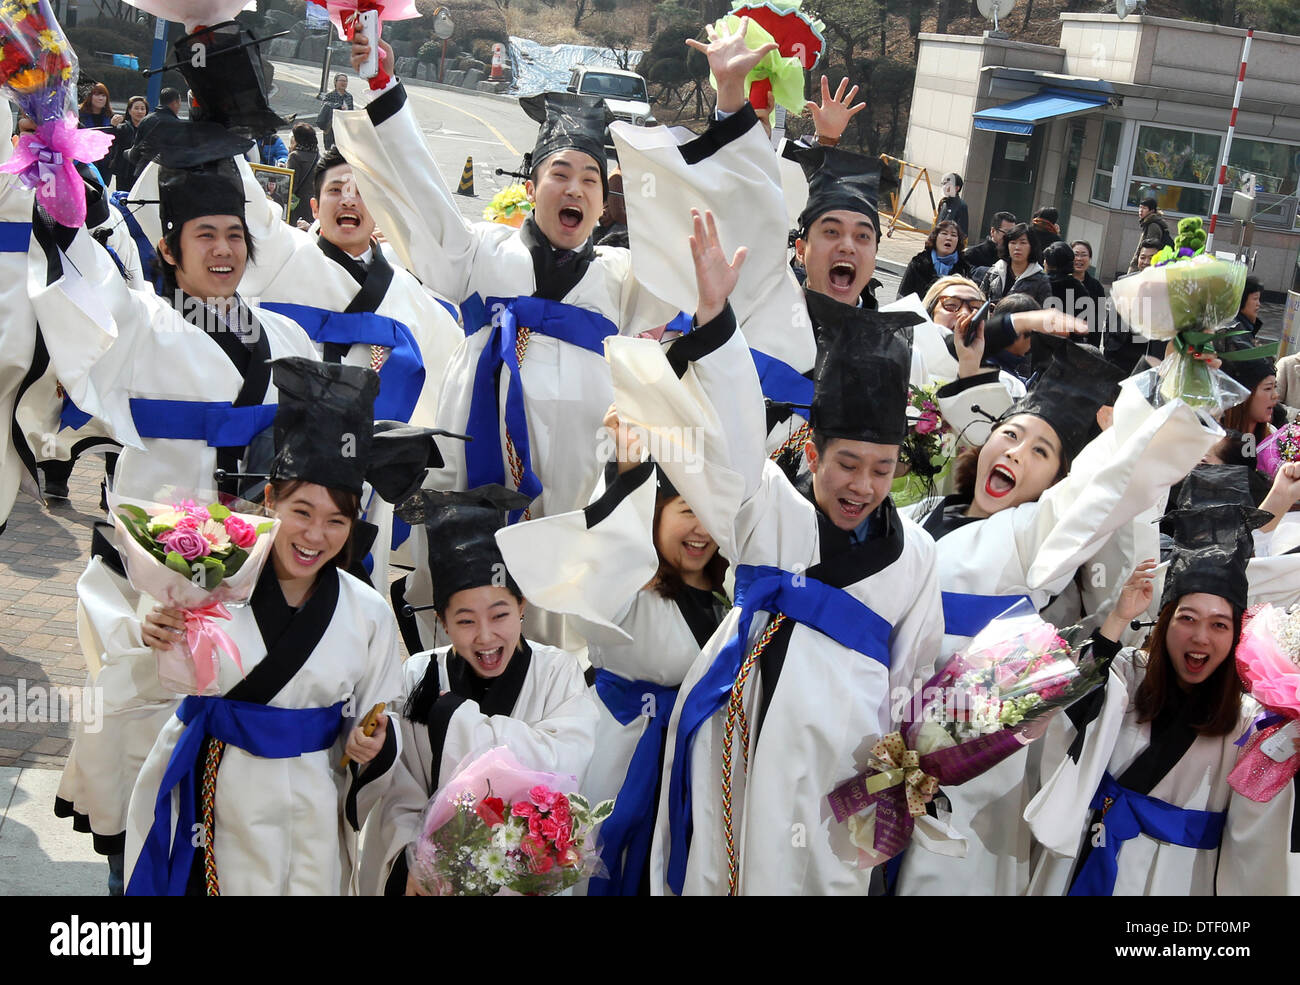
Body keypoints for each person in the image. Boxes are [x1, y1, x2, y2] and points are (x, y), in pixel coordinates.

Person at [610, 210, 945, 895]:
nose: (864, 485)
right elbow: (732, 429)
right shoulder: (769, 506)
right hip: (742, 721)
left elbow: (913, 674)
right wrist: (715, 319)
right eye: (848, 463)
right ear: (813, 451)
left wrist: (907, 767)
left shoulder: (916, 556)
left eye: (882, 469)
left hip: (841, 765)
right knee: (722, 864)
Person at [34, 125, 320, 893]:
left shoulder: (290, 340)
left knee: (224, 803)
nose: (223, 249)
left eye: (234, 233)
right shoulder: (138, 326)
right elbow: (78, 284)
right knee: (137, 774)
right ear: (171, 249)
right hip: (149, 595)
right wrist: (58, 191)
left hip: (250, 598)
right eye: (204, 235)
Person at [893, 336, 1221, 896]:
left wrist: (1172, 393)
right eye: (1012, 435)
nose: (1018, 452)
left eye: (1042, 452)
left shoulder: (1027, 541)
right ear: (987, 440)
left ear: (1054, 485)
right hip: (877, 735)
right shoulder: (909, 520)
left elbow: (1102, 490)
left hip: (966, 756)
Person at [126, 358, 419, 895]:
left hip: (314, 793)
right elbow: (159, 690)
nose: (316, 535)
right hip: (217, 785)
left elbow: (381, 708)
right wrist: (157, 637)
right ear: (269, 500)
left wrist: (369, 742)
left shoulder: (366, 609)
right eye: (301, 511)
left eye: (337, 520)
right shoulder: (210, 579)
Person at [497, 424, 730, 896]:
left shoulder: (730, 596)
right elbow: (608, 548)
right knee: (598, 850)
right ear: (655, 515)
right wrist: (627, 464)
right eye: (687, 511)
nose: (701, 530)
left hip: (690, 753)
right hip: (618, 743)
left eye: (712, 515)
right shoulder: (631, 586)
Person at [361, 486, 599, 896]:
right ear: (443, 621)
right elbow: (401, 794)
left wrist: (455, 718)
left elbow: (563, 766)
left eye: (500, 614)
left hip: (525, 876)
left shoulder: (557, 671)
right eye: (466, 620)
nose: (486, 636)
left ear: (523, 606)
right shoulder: (419, 674)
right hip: (435, 882)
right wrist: (421, 862)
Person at [1026, 503, 1266, 895]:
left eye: (1219, 625)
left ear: (1236, 634)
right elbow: (1066, 705)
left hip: (1180, 875)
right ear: (1165, 621)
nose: (1201, 637)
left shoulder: (1245, 719)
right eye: (1186, 618)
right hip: (1092, 845)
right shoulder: (1128, 672)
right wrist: (1119, 618)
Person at [122, 88, 183, 186]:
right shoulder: (178, 125)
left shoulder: (146, 120)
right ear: (175, 102)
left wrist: (126, 154)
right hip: (167, 177)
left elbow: (136, 151)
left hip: (143, 173)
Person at [897, 219, 969, 301]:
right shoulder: (918, 263)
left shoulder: (964, 268)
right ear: (935, 237)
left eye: (953, 235)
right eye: (944, 233)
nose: (949, 238)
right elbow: (902, 296)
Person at [980, 221, 1051, 305]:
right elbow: (979, 300)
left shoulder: (1040, 280)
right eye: (1013, 243)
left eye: (1023, 243)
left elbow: (1044, 313)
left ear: (1032, 246)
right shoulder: (995, 271)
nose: (1017, 247)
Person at [77, 82, 116, 181]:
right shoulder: (79, 115)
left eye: (104, 95)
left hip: (105, 163)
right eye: (97, 94)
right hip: (85, 161)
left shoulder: (111, 117)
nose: (101, 98)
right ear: (89, 96)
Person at [1127, 196, 1175, 273]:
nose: (1141, 211)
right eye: (1140, 207)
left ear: (1152, 211)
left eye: (1144, 208)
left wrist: (1134, 268)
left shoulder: (1153, 226)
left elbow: (1149, 250)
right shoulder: (1148, 223)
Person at [110, 96, 149, 191]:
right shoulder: (122, 128)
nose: (139, 112)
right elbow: (111, 144)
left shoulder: (150, 129)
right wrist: (113, 127)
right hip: (124, 172)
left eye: (142, 109)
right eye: (136, 108)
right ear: (129, 111)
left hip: (142, 172)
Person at [317, 73, 354, 150]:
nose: (344, 83)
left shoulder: (349, 96)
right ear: (335, 82)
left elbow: (351, 112)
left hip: (344, 129)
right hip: (331, 129)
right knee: (330, 152)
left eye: (345, 81)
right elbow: (325, 106)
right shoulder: (329, 96)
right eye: (341, 81)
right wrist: (339, 106)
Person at [1229, 275, 1263, 345]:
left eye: (1259, 299)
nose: (1258, 304)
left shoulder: (1246, 325)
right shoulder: (1236, 329)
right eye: (1255, 299)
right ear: (1242, 300)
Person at [937, 172, 969, 239]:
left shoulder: (961, 206)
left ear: (957, 188)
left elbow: (963, 233)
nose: (945, 187)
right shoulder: (943, 203)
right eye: (944, 184)